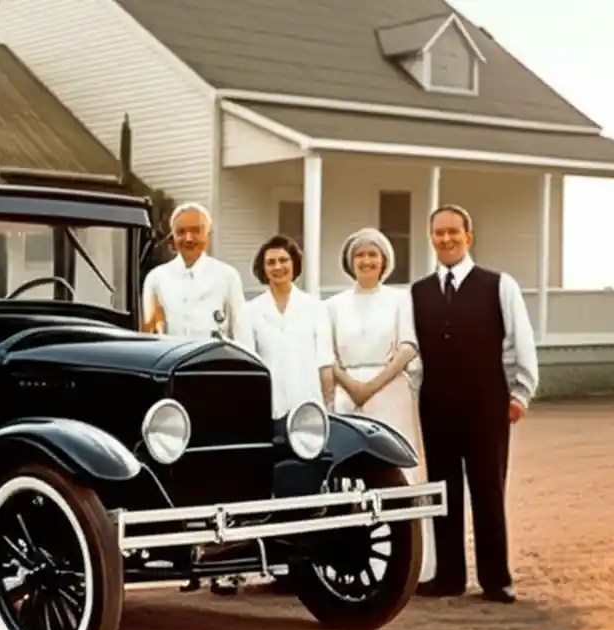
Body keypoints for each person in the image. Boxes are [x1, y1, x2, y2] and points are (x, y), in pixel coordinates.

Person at [409, 204, 538, 604]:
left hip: (486, 405)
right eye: (439, 233)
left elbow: (521, 341)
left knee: (487, 489)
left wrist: (520, 394)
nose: (446, 240)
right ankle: (448, 575)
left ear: (469, 236)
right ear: (431, 239)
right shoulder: (418, 292)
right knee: (444, 491)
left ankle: (496, 578)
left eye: (453, 232)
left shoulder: (499, 285)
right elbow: (413, 355)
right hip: (437, 406)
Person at [325, 227, 434, 583]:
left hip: (389, 393)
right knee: (348, 475)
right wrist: (351, 386)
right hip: (347, 394)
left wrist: (372, 384)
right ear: (350, 262)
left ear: (384, 261)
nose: (366, 261)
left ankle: (411, 564)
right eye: (360, 255)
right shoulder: (334, 305)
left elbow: (408, 347)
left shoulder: (399, 299)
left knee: (397, 472)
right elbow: (328, 355)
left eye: (373, 255)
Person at [233, 234, 334, 427]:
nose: (278, 267)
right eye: (271, 262)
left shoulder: (316, 308)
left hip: (309, 407)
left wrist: (329, 410)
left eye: (283, 260)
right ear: (263, 268)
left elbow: (325, 366)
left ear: (294, 263)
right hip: (268, 408)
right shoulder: (249, 312)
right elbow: (247, 368)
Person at [141, 202, 246, 339]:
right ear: (173, 236)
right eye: (181, 232)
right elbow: (149, 334)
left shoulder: (227, 276)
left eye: (196, 231)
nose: (189, 238)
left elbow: (240, 332)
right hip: (172, 358)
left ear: (207, 235)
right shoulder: (156, 278)